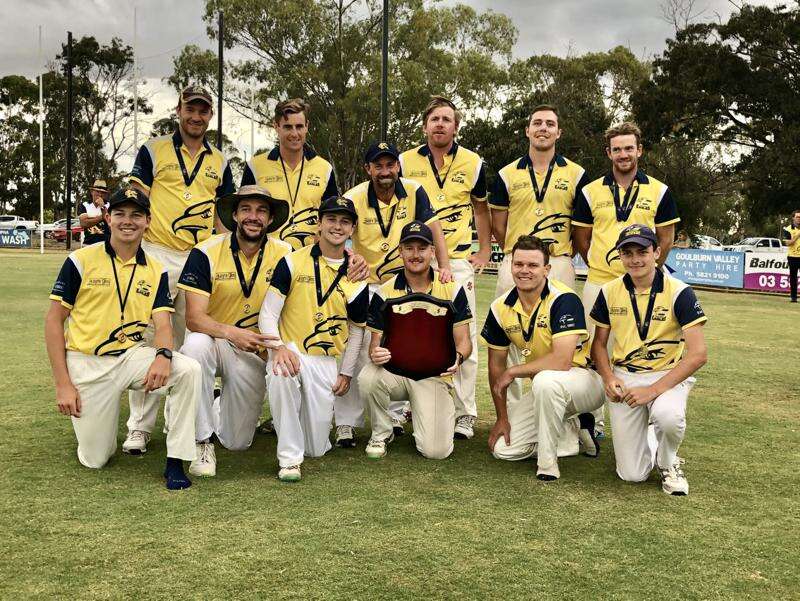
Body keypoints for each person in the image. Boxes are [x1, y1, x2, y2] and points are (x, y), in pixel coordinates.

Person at [44, 187, 200, 490]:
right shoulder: (80, 260)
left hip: (131, 355)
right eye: (120, 214)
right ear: (107, 217)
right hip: (87, 362)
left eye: (136, 215)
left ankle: (176, 461)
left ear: (148, 221)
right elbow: (53, 321)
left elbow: (163, 324)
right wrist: (63, 384)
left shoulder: (156, 270)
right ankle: (99, 425)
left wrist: (163, 356)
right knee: (96, 458)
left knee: (188, 370)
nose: (128, 221)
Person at [123, 85, 234, 455]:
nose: (196, 116)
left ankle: (182, 423)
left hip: (198, 256)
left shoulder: (220, 160)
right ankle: (139, 426)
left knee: (191, 343)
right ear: (179, 109)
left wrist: (225, 252)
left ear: (210, 116)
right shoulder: (153, 149)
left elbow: (224, 214)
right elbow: (136, 197)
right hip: (156, 252)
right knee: (149, 335)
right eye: (191, 109)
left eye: (203, 111)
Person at [333, 141, 452, 448]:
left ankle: (395, 416)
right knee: (355, 345)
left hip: (403, 281)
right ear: (368, 169)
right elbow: (339, 230)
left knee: (402, 343)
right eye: (378, 166)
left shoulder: (414, 190)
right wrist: (350, 256)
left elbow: (433, 228)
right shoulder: (354, 196)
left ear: (398, 166)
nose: (385, 172)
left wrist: (445, 265)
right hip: (365, 280)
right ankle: (346, 422)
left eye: (390, 165)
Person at [176, 186, 292, 477]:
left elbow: (324, 259)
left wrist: (354, 260)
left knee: (238, 442)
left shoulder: (286, 253)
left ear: (269, 219)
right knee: (195, 348)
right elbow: (193, 318)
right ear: (235, 215)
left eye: (261, 210)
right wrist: (231, 333)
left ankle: (213, 404)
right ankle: (201, 440)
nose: (253, 217)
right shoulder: (206, 251)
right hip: (215, 339)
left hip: (254, 350)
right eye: (247, 210)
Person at [490, 104, 592, 429]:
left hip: (559, 263)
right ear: (527, 130)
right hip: (514, 261)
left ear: (558, 132)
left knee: (563, 340)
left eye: (550, 123)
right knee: (512, 340)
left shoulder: (577, 174)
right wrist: (516, 255)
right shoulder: (506, 174)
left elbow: (582, 226)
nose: (543, 128)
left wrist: (563, 256)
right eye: (537, 123)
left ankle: (574, 418)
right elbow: (497, 225)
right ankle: (521, 416)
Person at [590, 224, 708, 495]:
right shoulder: (609, 291)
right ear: (620, 256)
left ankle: (668, 463)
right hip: (625, 377)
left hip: (665, 375)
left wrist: (652, 391)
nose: (635, 259)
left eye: (642, 251)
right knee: (632, 475)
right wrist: (609, 378)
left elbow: (699, 354)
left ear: (657, 252)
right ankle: (651, 443)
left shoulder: (679, 291)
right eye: (627, 253)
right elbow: (598, 344)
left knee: (668, 416)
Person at [258, 196, 369, 482]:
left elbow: (357, 328)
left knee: (317, 448)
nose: (337, 226)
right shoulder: (292, 261)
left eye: (344, 221)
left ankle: (299, 438)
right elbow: (268, 315)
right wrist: (278, 348)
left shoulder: (356, 274)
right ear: (319, 223)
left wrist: (346, 372)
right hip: (292, 349)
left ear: (352, 228)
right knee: (281, 373)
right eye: (331, 219)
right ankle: (288, 459)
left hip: (325, 360)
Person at [399, 95, 490, 440]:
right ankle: (406, 406)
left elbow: (481, 209)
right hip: (417, 258)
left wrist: (483, 251)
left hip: (458, 261)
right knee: (411, 330)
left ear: (456, 127)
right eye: (434, 118)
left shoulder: (472, 161)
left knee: (464, 336)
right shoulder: (406, 161)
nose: (440, 124)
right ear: (425, 126)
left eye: (447, 119)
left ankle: (465, 413)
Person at [482, 235, 604, 481]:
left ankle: (547, 464)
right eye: (518, 264)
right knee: (503, 450)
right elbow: (495, 366)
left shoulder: (564, 299)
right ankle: (575, 427)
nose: (524, 271)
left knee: (545, 381)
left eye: (532, 265)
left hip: (585, 382)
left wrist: (513, 371)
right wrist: (502, 418)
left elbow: (562, 361)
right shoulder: (499, 308)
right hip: (546, 390)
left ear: (546, 269)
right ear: (510, 266)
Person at [359, 221, 472, 460]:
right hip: (396, 373)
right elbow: (374, 345)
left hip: (433, 376)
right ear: (400, 251)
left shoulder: (452, 288)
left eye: (422, 248)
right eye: (409, 248)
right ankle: (381, 432)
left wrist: (459, 357)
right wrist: (376, 353)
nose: (415, 254)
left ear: (433, 251)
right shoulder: (384, 291)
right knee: (368, 378)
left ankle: (428, 416)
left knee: (436, 452)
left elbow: (465, 342)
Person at [241, 98, 339, 250]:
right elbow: (244, 214)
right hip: (268, 258)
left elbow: (333, 217)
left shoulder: (325, 168)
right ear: (276, 126)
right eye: (288, 127)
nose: (294, 133)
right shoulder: (255, 166)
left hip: (310, 259)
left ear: (307, 126)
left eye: (299, 126)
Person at [79, 179, 110, 246]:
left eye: (103, 192)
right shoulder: (85, 205)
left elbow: (110, 222)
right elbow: (83, 223)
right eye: (97, 191)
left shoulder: (109, 205)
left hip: (105, 244)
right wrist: (102, 217)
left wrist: (102, 207)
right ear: (92, 192)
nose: (100, 194)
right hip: (88, 243)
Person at [782, 210, 800, 302]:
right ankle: (794, 297)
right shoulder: (788, 229)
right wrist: (798, 235)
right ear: (793, 218)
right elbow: (788, 243)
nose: (799, 219)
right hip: (793, 257)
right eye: (797, 217)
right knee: (793, 277)